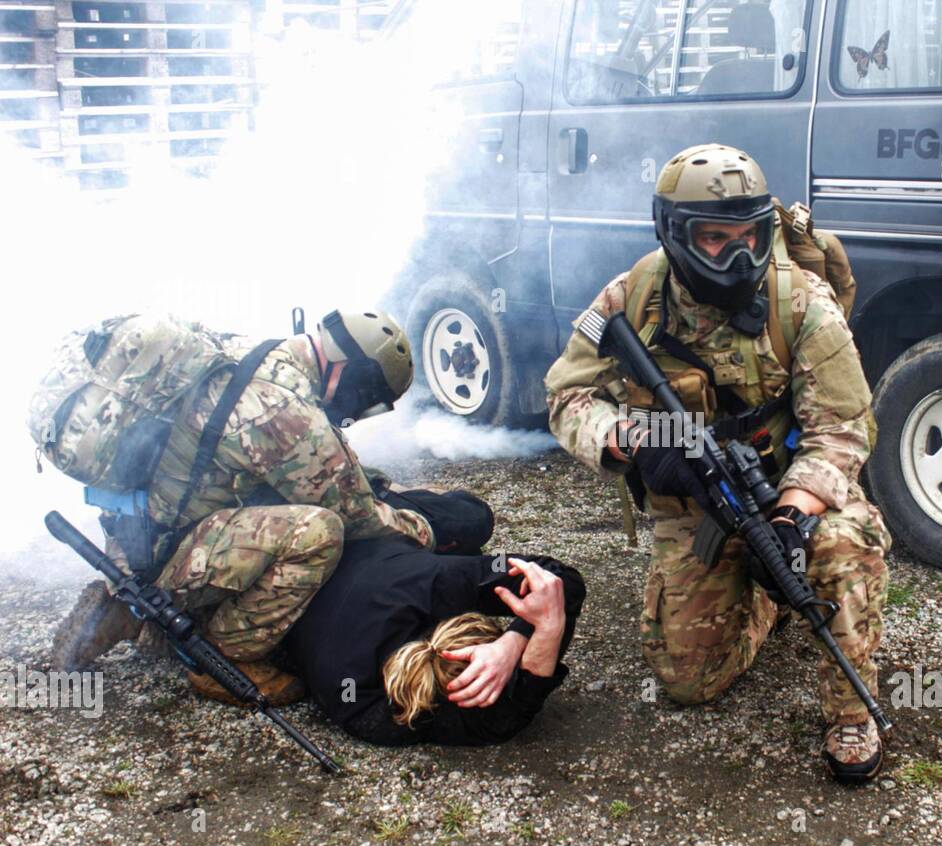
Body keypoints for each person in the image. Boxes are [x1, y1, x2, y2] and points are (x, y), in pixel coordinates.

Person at [544, 144, 891, 782]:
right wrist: (632, 439)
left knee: (844, 545)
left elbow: (843, 430)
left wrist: (790, 519)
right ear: (673, 234)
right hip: (695, 503)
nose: (738, 256)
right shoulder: (631, 297)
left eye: (750, 237)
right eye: (713, 239)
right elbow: (566, 397)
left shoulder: (803, 303)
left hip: (788, 488)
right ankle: (765, 606)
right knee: (687, 683)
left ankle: (851, 712)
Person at [53, 310, 435, 705]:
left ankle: (123, 609)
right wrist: (423, 527)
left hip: (138, 536)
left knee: (278, 510)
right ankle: (224, 652)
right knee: (318, 533)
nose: (359, 411)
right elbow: (358, 516)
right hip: (169, 553)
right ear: (349, 372)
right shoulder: (283, 408)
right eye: (368, 399)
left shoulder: (256, 355)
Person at [283, 489, 585, 745]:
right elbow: (502, 721)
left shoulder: (440, 582)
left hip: (354, 540)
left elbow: (557, 581)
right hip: (366, 542)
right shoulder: (352, 699)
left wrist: (519, 639)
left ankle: (386, 492)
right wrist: (531, 633)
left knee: (472, 520)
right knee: (473, 520)